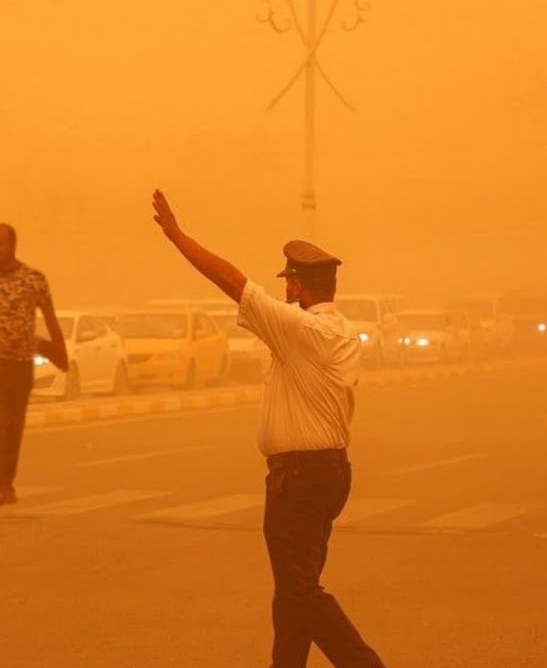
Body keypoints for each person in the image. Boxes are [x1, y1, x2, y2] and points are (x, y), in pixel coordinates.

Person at [150, 191, 385, 668]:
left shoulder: (300, 332)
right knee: (292, 592)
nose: (283, 289)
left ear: (298, 286)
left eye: (289, 281)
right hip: (326, 472)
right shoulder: (339, 331)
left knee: (300, 591)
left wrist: (178, 237)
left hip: (299, 479)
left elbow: (233, 281)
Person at [0, 224, 68, 506]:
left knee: (14, 427)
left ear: (13, 245)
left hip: (20, 365)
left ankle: (7, 480)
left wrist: (61, 353)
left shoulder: (33, 280)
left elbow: (51, 319)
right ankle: (0, 485)